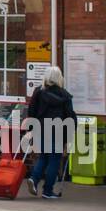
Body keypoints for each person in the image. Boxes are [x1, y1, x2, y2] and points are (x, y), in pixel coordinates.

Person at [27, 66, 76, 199]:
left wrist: (31, 130)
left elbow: (31, 111)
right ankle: (47, 191)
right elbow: (70, 117)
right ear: (59, 77)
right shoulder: (65, 95)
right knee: (54, 160)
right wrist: (69, 137)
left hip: (41, 128)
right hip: (58, 130)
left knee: (43, 156)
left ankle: (34, 179)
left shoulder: (38, 92)